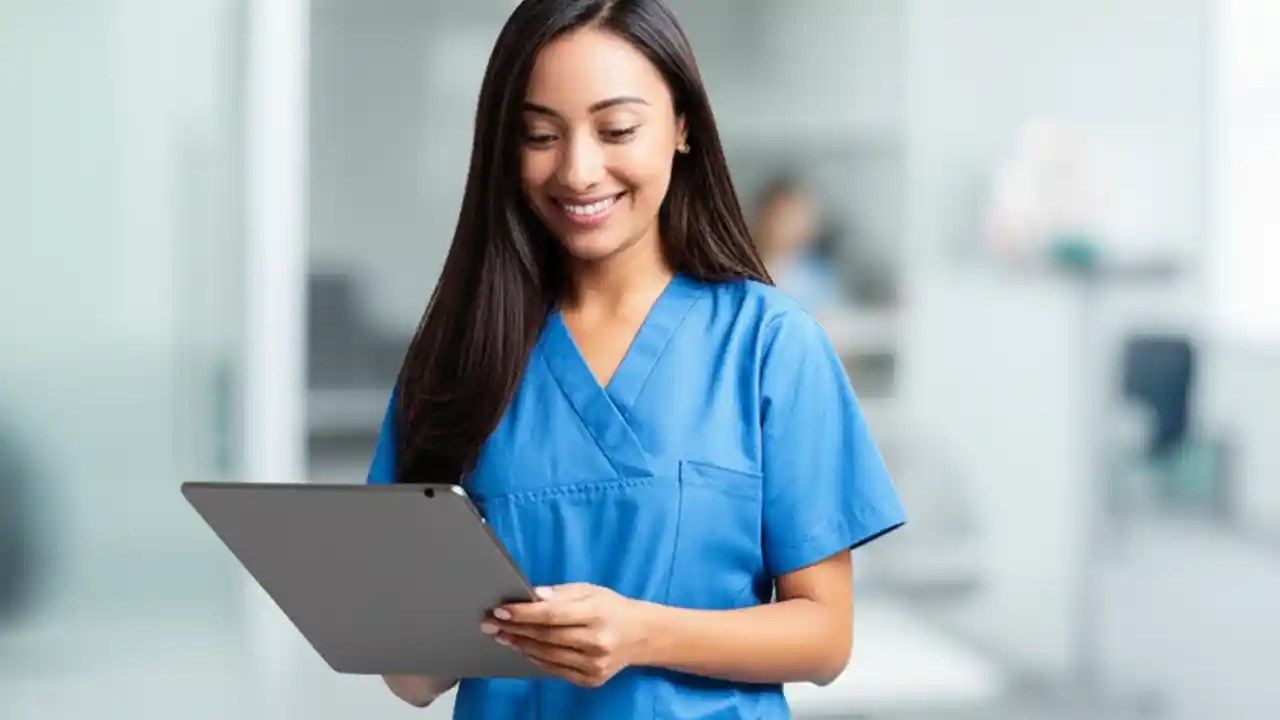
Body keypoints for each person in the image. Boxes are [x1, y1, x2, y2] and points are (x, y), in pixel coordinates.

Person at [367, 1, 906, 717]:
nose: (578, 170)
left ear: (682, 127)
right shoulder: (459, 356)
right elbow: (411, 679)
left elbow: (824, 637)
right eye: (540, 135)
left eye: (617, 129)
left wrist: (640, 634)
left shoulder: (768, 345)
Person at [752, 175, 843, 313]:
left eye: (799, 219)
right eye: (783, 217)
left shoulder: (816, 279)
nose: (790, 227)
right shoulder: (736, 268)